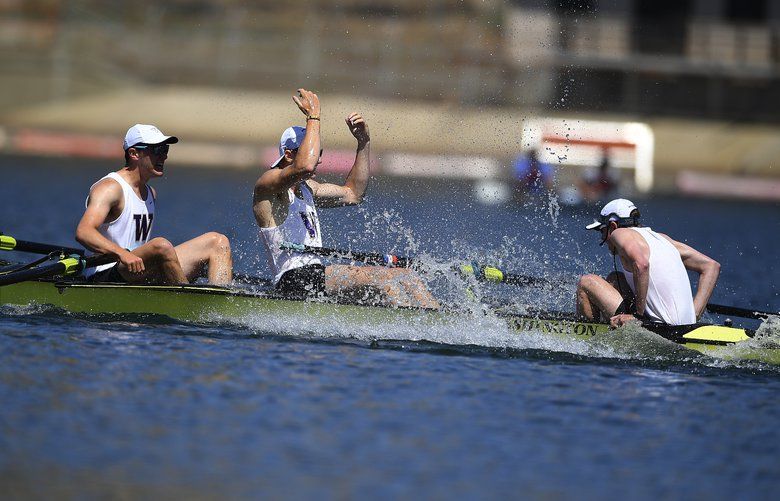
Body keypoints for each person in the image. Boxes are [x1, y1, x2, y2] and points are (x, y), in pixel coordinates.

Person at [252, 88, 438, 308]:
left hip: (315, 278)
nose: (317, 160)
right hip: (292, 280)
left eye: (319, 153)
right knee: (386, 278)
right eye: (313, 151)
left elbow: (354, 193)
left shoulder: (309, 190)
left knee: (407, 276)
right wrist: (313, 117)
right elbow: (305, 166)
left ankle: (439, 322)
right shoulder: (268, 186)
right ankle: (416, 328)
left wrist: (363, 142)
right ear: (290, 155)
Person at [75, 124, 233, 285]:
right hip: (105, 273)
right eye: (157, 150)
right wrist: (122, 254)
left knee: (218, 241)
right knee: (160, 245)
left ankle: (219, 305)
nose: (163, 156)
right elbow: (84, 231)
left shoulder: (150, 193)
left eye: (165, 150)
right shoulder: (110, 188)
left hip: (138, 271)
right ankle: (186, 303)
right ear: (134, 153)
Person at [576, 198, 720, 327]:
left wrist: (637, 316)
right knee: (615, 279)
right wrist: (694, 315)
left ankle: (589, 336)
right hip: (683, 326)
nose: (604, 239)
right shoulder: (662, 239)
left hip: (659, 327)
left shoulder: (618, 233)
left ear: (613, 226)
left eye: (602, 232)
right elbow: (711, 266)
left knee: (586, 282)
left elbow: (642, 264)